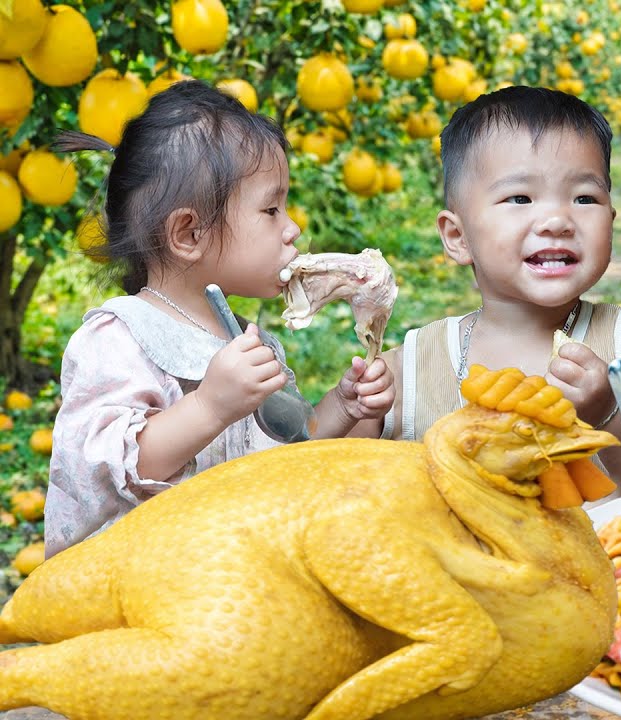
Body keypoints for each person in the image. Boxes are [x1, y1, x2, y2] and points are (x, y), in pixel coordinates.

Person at [46, 80, 394, 556]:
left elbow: (288, 447)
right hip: (139, 585)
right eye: (271, 209)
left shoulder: (248, 340)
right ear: (189, 234)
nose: (293, 228)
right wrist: (210, 406)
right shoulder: (118, 337)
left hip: (230, 586)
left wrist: (344, 406)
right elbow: (105, 470)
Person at [353, 86, 621, 497]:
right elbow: (324, 469)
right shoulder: (413, 367)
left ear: (611, 220)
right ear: (458, 236)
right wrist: (347, 405)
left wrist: (611, 414)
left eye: (584, 197)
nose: (555, 220)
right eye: (520, 197)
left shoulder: (620, 342)